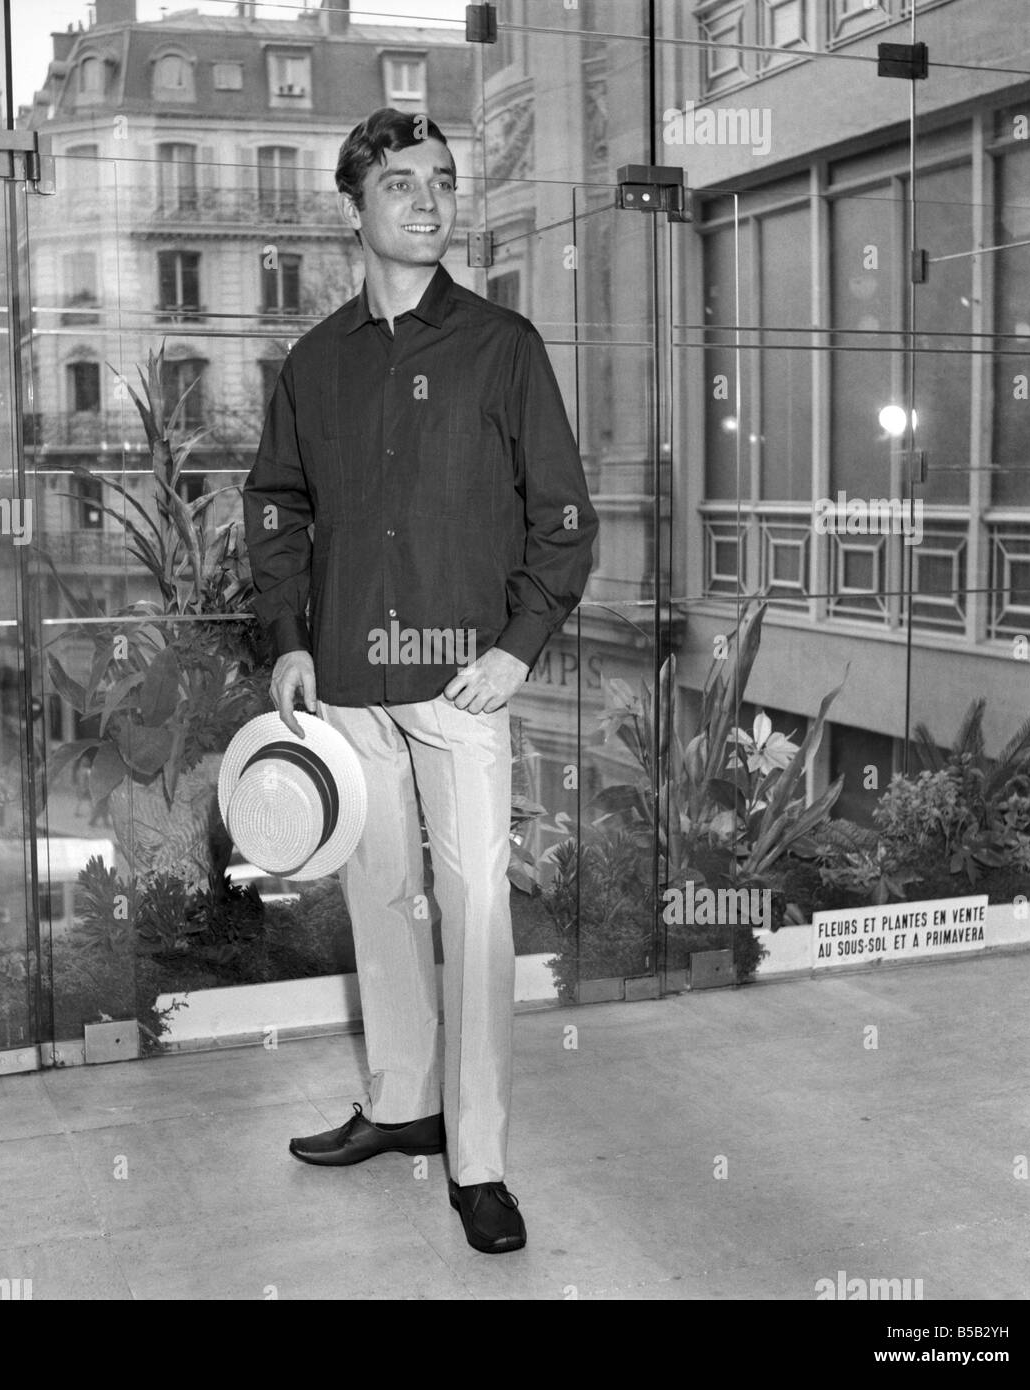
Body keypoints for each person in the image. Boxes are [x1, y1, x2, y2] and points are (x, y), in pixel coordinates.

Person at [244, 108, 598, 1255]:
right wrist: (288, 637)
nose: (428, 200)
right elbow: (275, 506)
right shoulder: (315, 364)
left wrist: (515, 647)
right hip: (349, 680)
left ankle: (476, 1160)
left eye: (441, 180)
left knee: (476, 914)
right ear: (353, 205)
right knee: (382, 900)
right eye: (400, 182)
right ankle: (401, 1102)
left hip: (460, 687)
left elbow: (564, 518)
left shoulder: (503, 346)